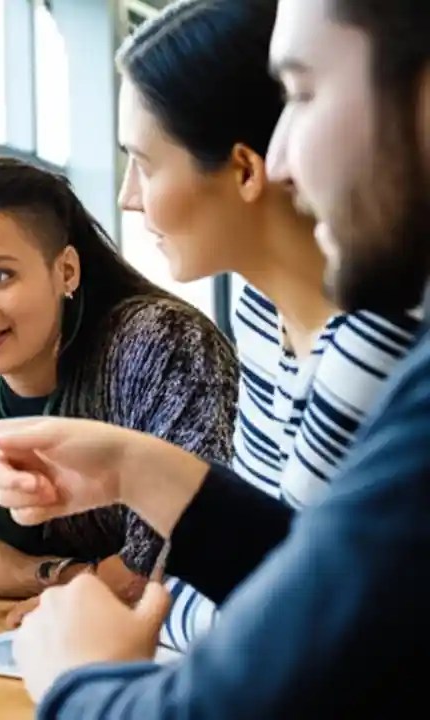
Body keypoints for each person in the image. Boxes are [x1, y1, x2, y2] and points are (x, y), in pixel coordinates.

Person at [0, 0, 430, 714]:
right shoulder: (263, 312)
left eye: (307, 95)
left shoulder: (378, 338)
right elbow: (297, 578)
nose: (282, 154)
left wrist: (81, 675)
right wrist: (133, 469)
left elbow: (283, 655)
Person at [115, 0, 421, 648]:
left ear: (246, 170)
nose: (127, 196)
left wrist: (141, 620)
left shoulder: (378, 335)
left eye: (143, 162)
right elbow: (240, 574)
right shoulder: (259, 312)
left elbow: (282, 621)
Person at [0, 156, 236, 626]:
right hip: (40, 630)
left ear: (66, 271)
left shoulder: (156, 343)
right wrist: (69, 577)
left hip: (172, 639)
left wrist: (74, 583)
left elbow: (167, 551)